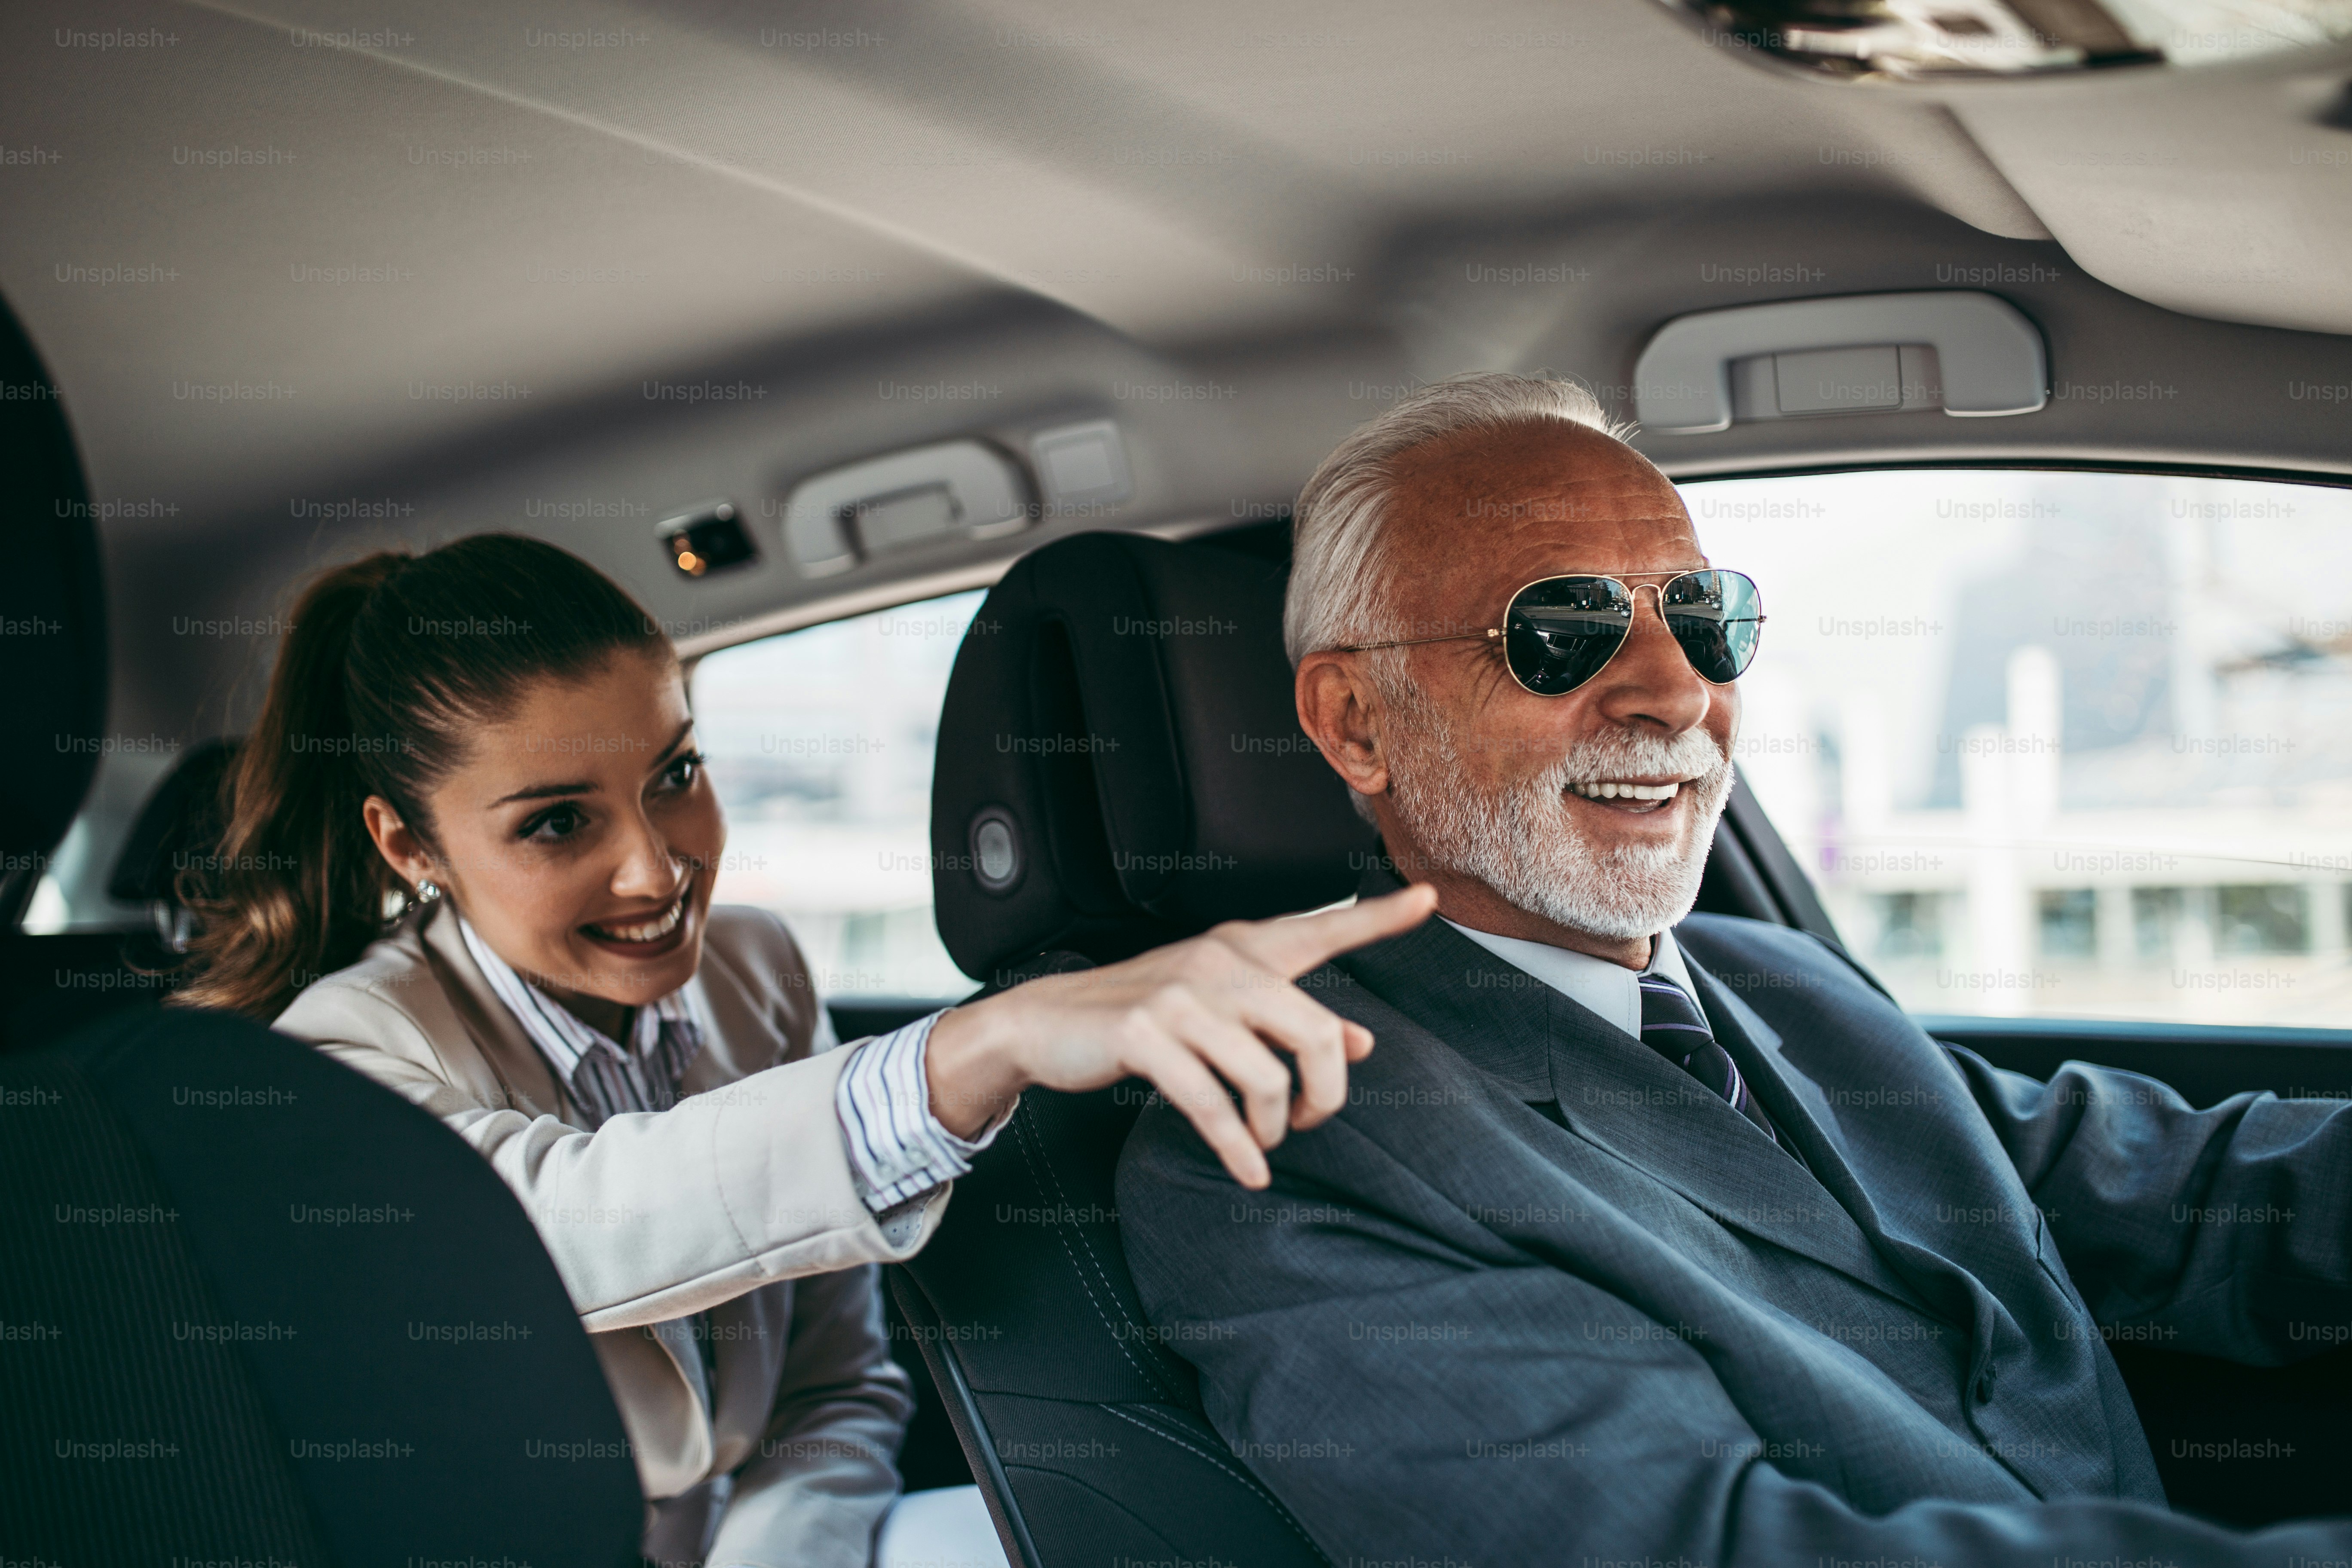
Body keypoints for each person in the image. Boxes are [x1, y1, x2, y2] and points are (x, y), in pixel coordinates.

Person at [1115, 372, 2352, 1566]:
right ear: (1355, 722)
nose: (1678, 689)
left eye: (1708, 620)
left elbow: (2208, 1204)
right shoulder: (1293, 1139)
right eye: (1563, 629)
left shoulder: (1783, 985)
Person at [174, 534, 1433, 1567]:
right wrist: (975, 1049)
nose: (657, 867)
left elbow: (836, 1382)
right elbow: (564, 1226)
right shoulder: (337, 1055)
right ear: (410, 848)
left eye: (674, 773)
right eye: (557, 822)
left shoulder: (756, 968)